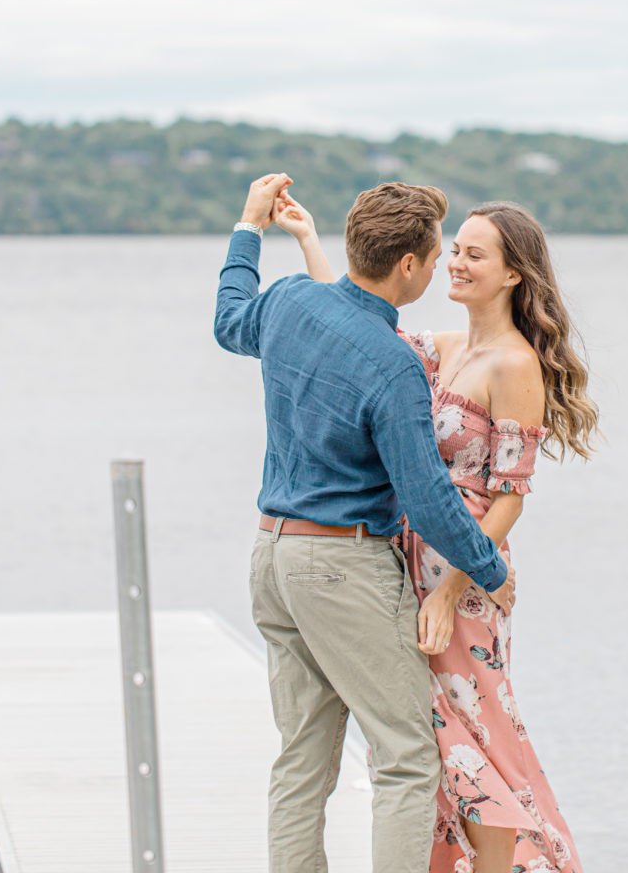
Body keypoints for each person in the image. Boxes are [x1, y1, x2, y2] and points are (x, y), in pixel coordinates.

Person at [273, 187, 598, 873]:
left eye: (474, 254)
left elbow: (511, 496)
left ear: (513, 274)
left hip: (465, 572)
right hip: (402, 563)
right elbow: (355, 329)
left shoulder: (514, 365)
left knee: (476, 735)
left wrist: (454, 587)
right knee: (432, 735)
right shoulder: (444, 346)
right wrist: (309, 244)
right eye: (454, 250)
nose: (456, 263)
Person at [213, 173, 517, 873]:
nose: (441, 267)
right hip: (340, 567)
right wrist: (490, 568)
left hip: (272, 556)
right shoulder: (391, 364)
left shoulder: (289, 300)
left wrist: (247, 227)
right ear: (407, 265)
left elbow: (231, 319)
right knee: (409, 758)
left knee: (301, 759)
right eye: (438, 257)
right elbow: (426, 495)